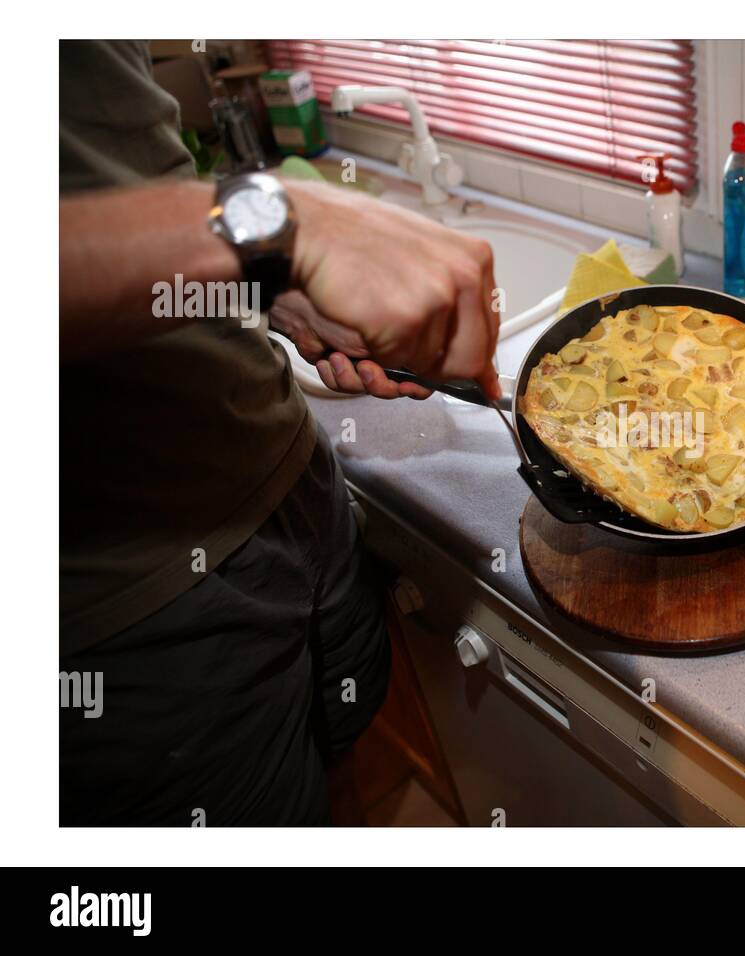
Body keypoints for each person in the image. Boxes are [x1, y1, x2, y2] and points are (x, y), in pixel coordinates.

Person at [59, 40, 500, 825]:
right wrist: (272, 221)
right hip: (137, 604)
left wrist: (278, 296)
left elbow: (123, 175)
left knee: (345, 757)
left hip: (288, 469)